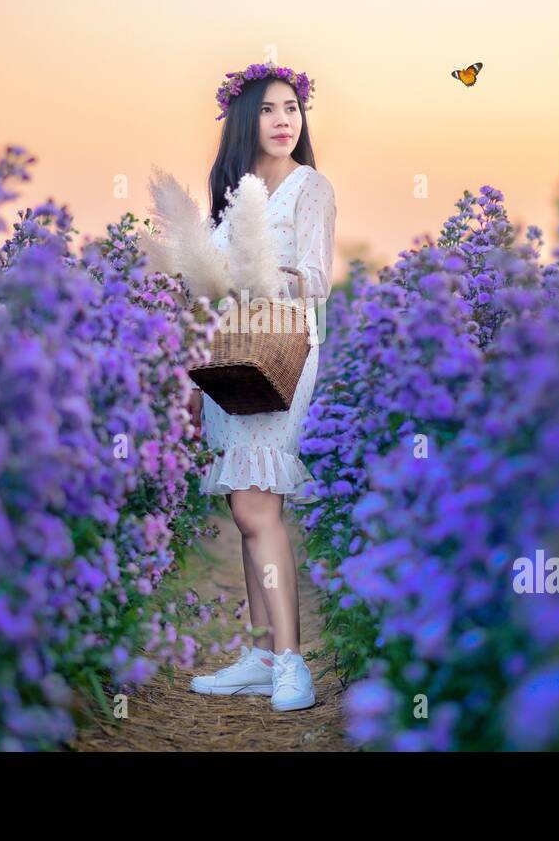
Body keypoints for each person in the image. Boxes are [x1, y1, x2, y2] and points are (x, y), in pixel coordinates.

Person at [185, 63, 336, 712]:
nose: (284, 121)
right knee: (241, 506)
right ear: (247, 121)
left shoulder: (310, 187)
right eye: (271, 110)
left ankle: (293, 663)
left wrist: (258, 277)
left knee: (257, 506)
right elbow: (204, 288)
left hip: (283, 348)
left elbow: (316, 278)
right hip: (232, 354)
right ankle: (260, 654)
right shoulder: (235, 193)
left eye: (292, 109)